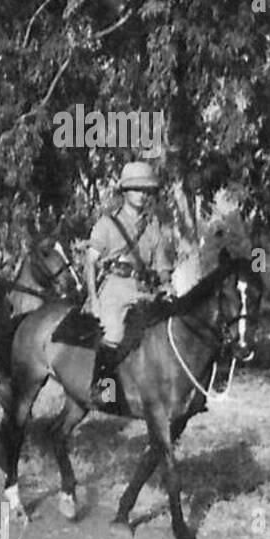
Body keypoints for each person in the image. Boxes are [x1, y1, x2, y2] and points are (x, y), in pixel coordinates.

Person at [85, 161, 176, 401]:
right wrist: (94, 299)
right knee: (113, 332)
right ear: (124, 192)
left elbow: (162, 266)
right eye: (136, 189)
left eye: (147, 190)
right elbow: (90, 262)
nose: (142, 195)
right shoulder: (107, 224)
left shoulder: (153, 226)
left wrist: (166, 285)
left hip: (144, 289)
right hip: (115, 287)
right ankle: (102, 389)